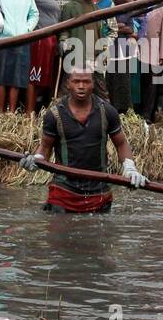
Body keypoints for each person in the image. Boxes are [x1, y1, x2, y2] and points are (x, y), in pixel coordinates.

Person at [20, 67, 147, 213]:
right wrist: (36, 160)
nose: (81, 86)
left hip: (99, 193)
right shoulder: (54, 114)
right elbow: (45, 147)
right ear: (68, 84)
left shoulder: (107, 111)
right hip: (63, 192)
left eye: (86, 82)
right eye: (76, 82)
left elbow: (121, 143)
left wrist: (130, 168)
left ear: (93, 84)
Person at [27, 0, 60, 112]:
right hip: (40, 38)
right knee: (35, 76)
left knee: (45, 77)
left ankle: (37, 110)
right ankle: (29, 112)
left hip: (50, 38)